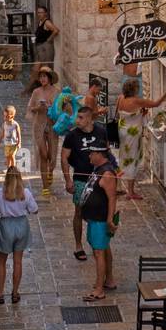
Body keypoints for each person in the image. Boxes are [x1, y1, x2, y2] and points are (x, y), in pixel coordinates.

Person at [61, 105, 108, 261]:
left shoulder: (101, 131)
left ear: (89, 119)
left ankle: (98, 244)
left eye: (81, 118)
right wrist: (68, 180)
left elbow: (106, 153)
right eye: (77, 117)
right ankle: (78, 245)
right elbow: (64, 158)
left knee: (98, 212)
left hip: (99, 179)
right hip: (80, 179)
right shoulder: (72, 136)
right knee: (79, 212)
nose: (77, 120)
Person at [0, 166, 39, 305]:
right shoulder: (26, 193)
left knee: (2, 261)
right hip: (22, 225)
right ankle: (15, 293)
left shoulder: (0, 193)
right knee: (18, 262)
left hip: (6, 226)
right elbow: (34, 210)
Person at [115, 78, 166, 202]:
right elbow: (156, 104)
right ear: (134, 89)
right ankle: (130, 192)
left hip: (122, 131)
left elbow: (118, 114)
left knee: (124, 157)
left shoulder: (120, 98)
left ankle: (119, 185)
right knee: (132, 159)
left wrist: (136, 115)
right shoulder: (137, 101)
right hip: (133, 134)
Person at [79, 144, 118, 301]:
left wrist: (109, 219)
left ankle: (99, 289)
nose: (89, 157)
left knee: (98, 252)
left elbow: (112, 198)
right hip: (94, 219)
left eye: (91, 154)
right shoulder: (98, 169)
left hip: (100, 220)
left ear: (100, 154)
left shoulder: (107, 173)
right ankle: (109, 280)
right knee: (104, 248)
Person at [26, 66, 59, 199]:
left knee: (52, 155)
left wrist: (53, 107)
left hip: (52, 126)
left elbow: (63, 109)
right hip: (39, 126)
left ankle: (50, 171)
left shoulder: (57, 91)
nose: (42, 79)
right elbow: (30, 109)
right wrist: (38, 108)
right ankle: (45, 186)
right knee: (43, 154)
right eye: (40, 77)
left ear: (50, 78)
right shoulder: (36, 92)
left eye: (44, 76)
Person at [0, 105, 21, 169]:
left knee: (12, 156)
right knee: (7, 157)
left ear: (12, 116)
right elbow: (2, 134)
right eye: (4, 116)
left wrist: (19, 143)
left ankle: (13, 169)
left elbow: (19, 134)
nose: (5, 118)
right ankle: (8, 169)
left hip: (13, 144)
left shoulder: (15, 124)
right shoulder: (4, 124)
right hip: (6, 144)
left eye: (7, 116)